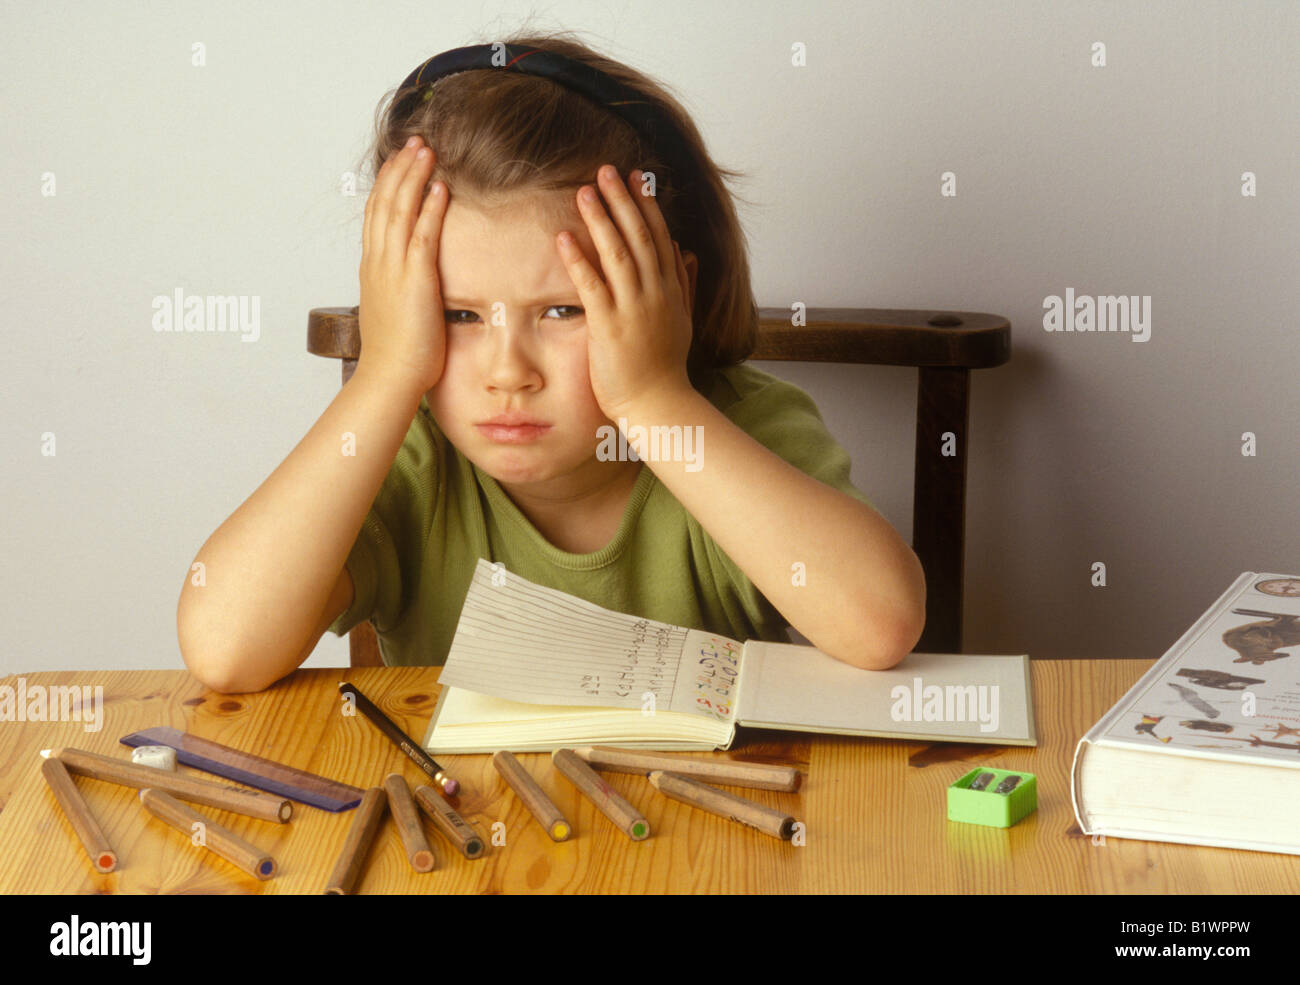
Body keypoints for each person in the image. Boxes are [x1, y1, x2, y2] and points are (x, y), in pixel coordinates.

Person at [177, 29, 926, 694]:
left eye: (563, 310)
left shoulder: (731, 427)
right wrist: (385, 374)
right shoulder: (408, 459)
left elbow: (880, 623)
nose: (509, 371)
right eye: (457, 315)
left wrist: (655, 399)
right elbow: (224, 649)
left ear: (671, 293)